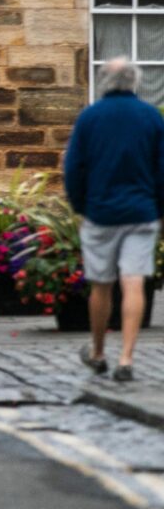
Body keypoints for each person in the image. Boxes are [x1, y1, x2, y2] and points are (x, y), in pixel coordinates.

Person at [64, 56, 164, 383]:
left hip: (100, 213)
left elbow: (73, 168)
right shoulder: (151, 117)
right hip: (141, 212)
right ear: (135, 81)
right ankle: (126, 358)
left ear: (105, 81)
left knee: (101, 285)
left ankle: (97, 352)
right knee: (134, 282)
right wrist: (158, 208)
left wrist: (82, 205)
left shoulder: (90, 118)